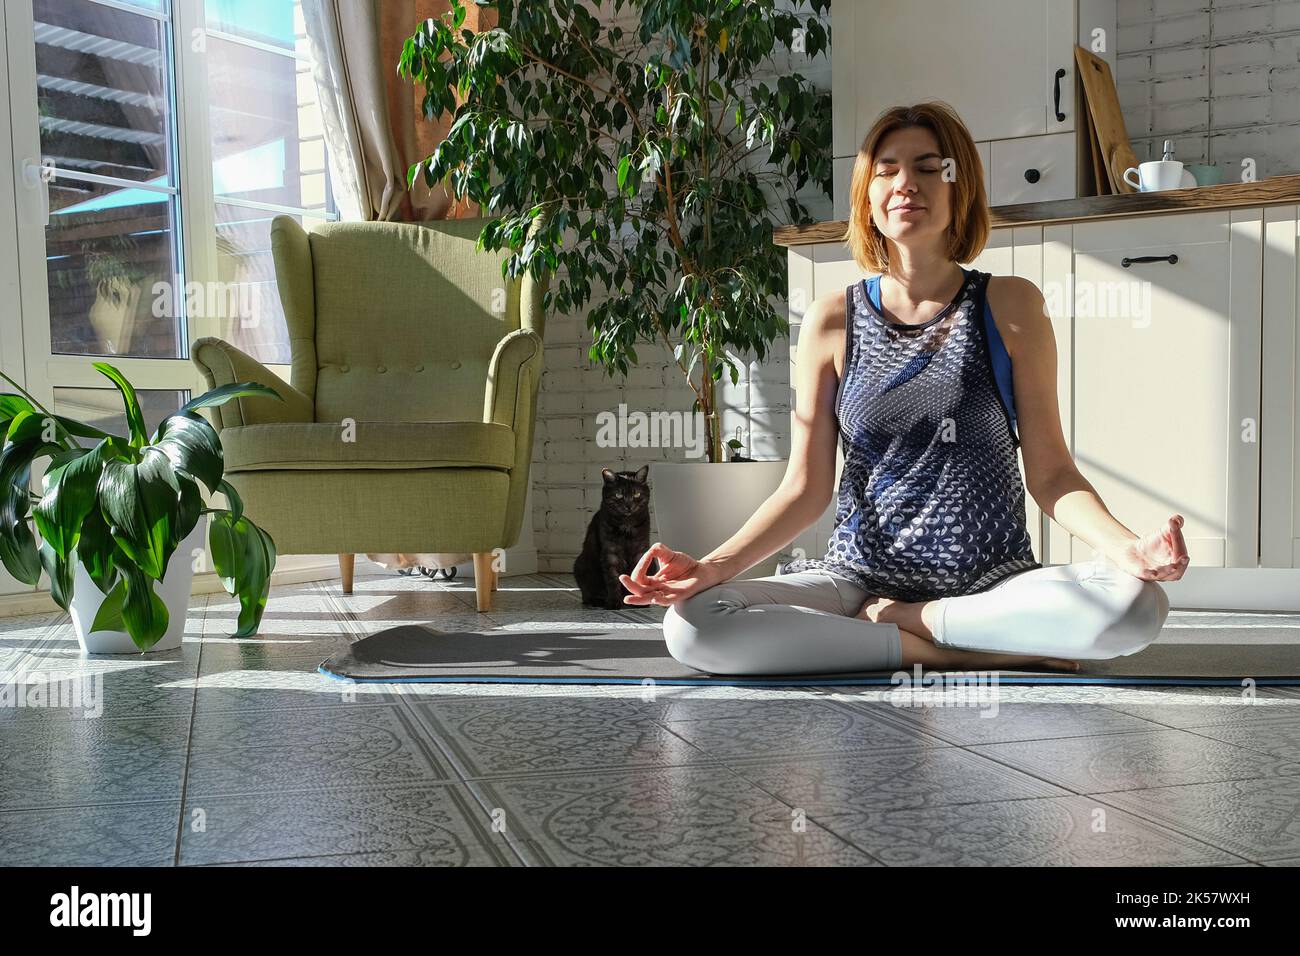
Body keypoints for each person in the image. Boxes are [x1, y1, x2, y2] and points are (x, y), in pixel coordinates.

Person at [619, 101, 1186, 676]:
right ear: (867, 195)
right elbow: (805, 489)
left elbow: (1053, 474)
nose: (905, 184)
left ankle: (916, 624)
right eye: (886, 170)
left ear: (958, 185)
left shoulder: (1010, 305)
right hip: (856, 582)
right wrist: (713, 568)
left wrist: (1125, 549)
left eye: (927, 167)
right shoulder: (832, 319)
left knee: (1137, 605)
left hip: (991, 584)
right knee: (693, 626)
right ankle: (963, 651)